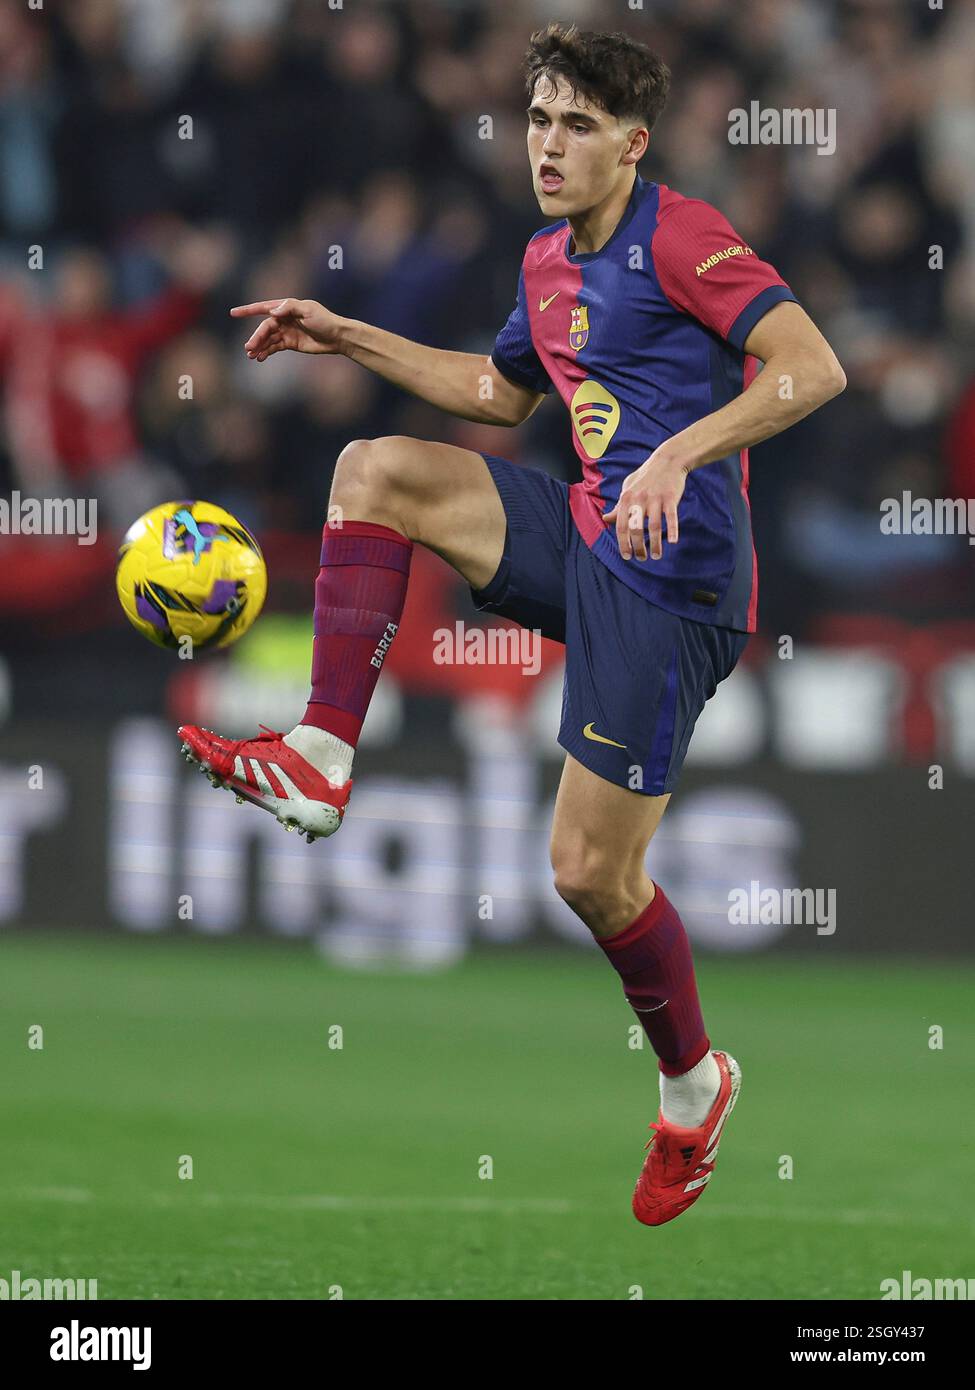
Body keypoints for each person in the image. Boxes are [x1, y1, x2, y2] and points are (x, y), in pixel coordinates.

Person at [178, 23, 846, 1226]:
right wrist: (347, 332)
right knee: (375, 469)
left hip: (676, 580)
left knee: (588, 873)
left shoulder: (684, 235)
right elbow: (500, 393)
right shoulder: (545, 261)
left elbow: (811, 368)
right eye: (538, 119)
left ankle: (695, 1085)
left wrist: (679, 459)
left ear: (632, 145)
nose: (549, 144)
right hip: (588, 534)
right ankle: (322, 759)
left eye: (578, 125)